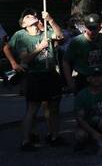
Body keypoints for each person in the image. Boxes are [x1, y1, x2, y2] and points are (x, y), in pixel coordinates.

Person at [11, 10, 65, 151]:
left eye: (33, 15)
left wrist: (51, 20)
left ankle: (54, 136)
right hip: (34, 76)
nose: (32, 16)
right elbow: (25, 59)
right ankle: (26, 141)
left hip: (50, 74)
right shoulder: (22, 36)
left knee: (53, 107)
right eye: (27, 17)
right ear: (24, 24)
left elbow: (60, 36)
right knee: (32, 109)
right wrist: (40, 47)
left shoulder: (45, 32)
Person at [63, 12, 102, 96]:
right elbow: (66, 61)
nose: (92, 31)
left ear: (99, 27)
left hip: (101, 76)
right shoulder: (77, 42)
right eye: (90, 28)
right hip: (84, 78)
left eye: (95, 28)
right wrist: (70, 82)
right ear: (85, 27)